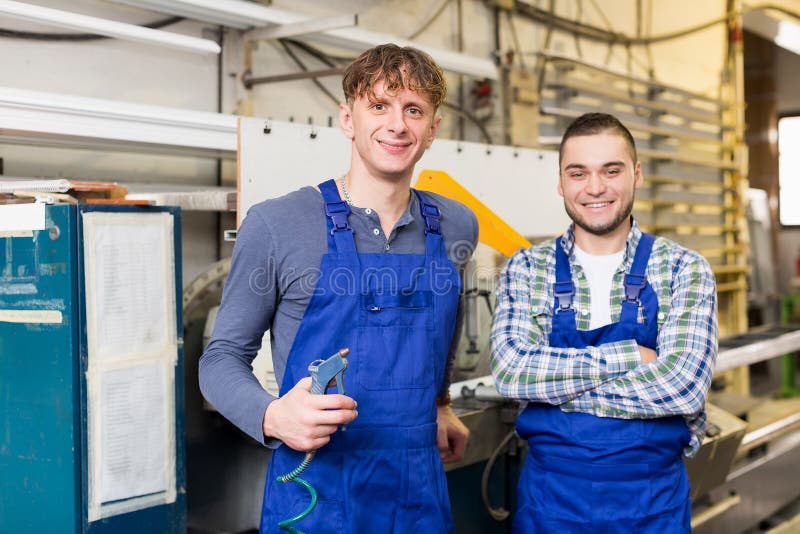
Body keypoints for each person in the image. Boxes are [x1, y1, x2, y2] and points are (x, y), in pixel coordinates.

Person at [200, 43, 478, 533]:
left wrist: (441, 404)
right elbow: (220, 357)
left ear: (433, 128)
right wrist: (271, 416)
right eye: (379, 106)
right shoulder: (277, 224)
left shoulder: (456, 225)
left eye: (413, 110)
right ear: (347, 118)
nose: (396, 125)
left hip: (418, 496)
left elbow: (447, 318)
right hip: (319, 493)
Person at [490, 112, 718, 533]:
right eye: (579, 173)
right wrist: (632, 356)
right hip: (551, 506)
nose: (595, 188)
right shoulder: (526, 268)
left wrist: (554, 390)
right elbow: (511, 372)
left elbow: (683, 387)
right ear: (560, 182)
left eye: (611, 171)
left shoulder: (684, 269)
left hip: (652, 508)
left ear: (637, 174)